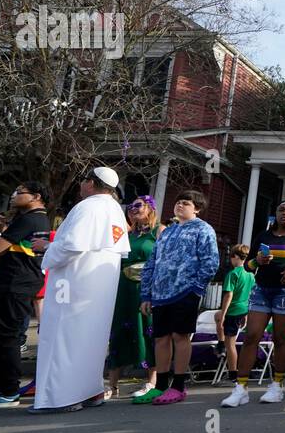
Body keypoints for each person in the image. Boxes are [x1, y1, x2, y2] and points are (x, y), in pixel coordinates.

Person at [29, 168, 131, 413]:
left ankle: (62, 397)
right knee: (91, 338)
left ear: (92, 184)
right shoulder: (115, 209)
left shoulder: (87, 207)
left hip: (74, 283)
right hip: (99, 287)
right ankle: (90, 390)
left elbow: (72, 245)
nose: (81, 185)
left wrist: (47, 247)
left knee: (63, 337)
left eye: (84, 180)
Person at [220, 201, 285, 408]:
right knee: (252, 335)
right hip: (262, 289)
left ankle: (277, 385)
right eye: (281, 210)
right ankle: (241, 388)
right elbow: (248, 263)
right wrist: (257, 262)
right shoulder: (264, 236)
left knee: (280, 338)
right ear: (276, 214)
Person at [136, 191, 220, 405]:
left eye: (186, 203)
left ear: (197, 208)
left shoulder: (203, 229)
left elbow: (210, 262)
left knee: (180, 336)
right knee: (160, 338)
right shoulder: (167, 232)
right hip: (159, 294)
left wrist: (196, 288)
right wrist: (146, 294)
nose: (180, 206)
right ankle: (161, 385)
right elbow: (151, 263)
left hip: (185, 292)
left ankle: (179, 386)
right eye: (178, 202)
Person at [0, 182, 51, 407]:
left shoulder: (29, 219)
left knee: (5, 337)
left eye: (20, 192)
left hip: (15, 283)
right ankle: (3, 388)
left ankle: (7, 391)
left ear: (36, 196)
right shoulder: (36, 219)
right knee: (1, 337)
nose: (14, 195)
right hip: (17, 282)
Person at [107, 196, 165, 400]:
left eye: (138, 205)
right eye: (130, 206)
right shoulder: (127, 233)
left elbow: (167, 261)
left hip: (147, 289)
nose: (133, 209)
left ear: (150, 208)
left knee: (147, 331)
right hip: (124, 288)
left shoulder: (160, 231)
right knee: (119, 331)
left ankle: (151, 382)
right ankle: (112, 385)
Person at [214, 244, 254, 394]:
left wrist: (224, 313)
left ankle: (232, 374)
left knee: (230, 343)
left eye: (231, 256)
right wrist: (247, 313)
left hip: (232, 311)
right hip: (242, 311)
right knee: (216, 316)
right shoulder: (250, 275)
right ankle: (220, 343)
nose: (230, 259)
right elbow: (251, 295)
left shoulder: (232, 274)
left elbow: (228, 295)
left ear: (236, 257)